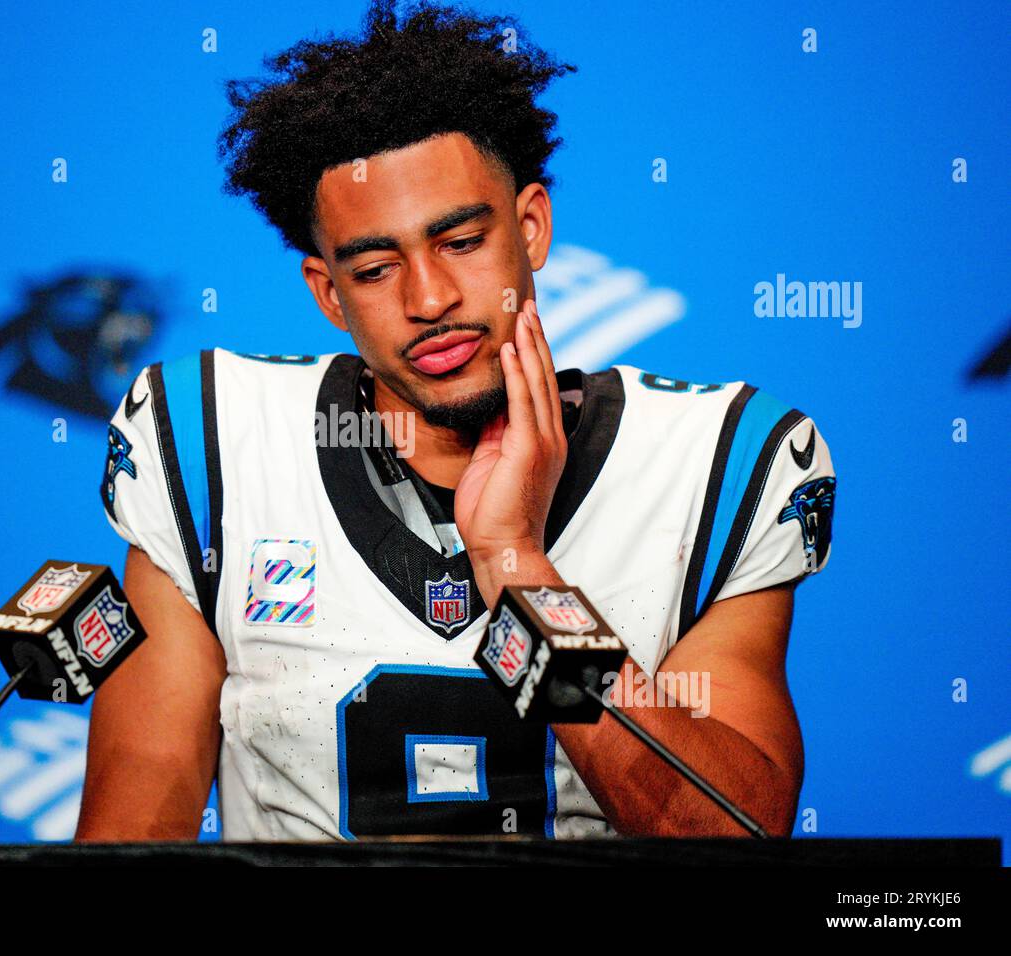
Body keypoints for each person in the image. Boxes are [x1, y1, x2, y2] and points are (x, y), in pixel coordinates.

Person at [76, 0, 836, 841]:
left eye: (462, 243)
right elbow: (134, 828)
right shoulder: (213, 443)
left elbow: (731, 837)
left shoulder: (720, 462)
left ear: (532, 227)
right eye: (373, 268)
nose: (429, 300)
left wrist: (515, 562)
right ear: (328, 294)